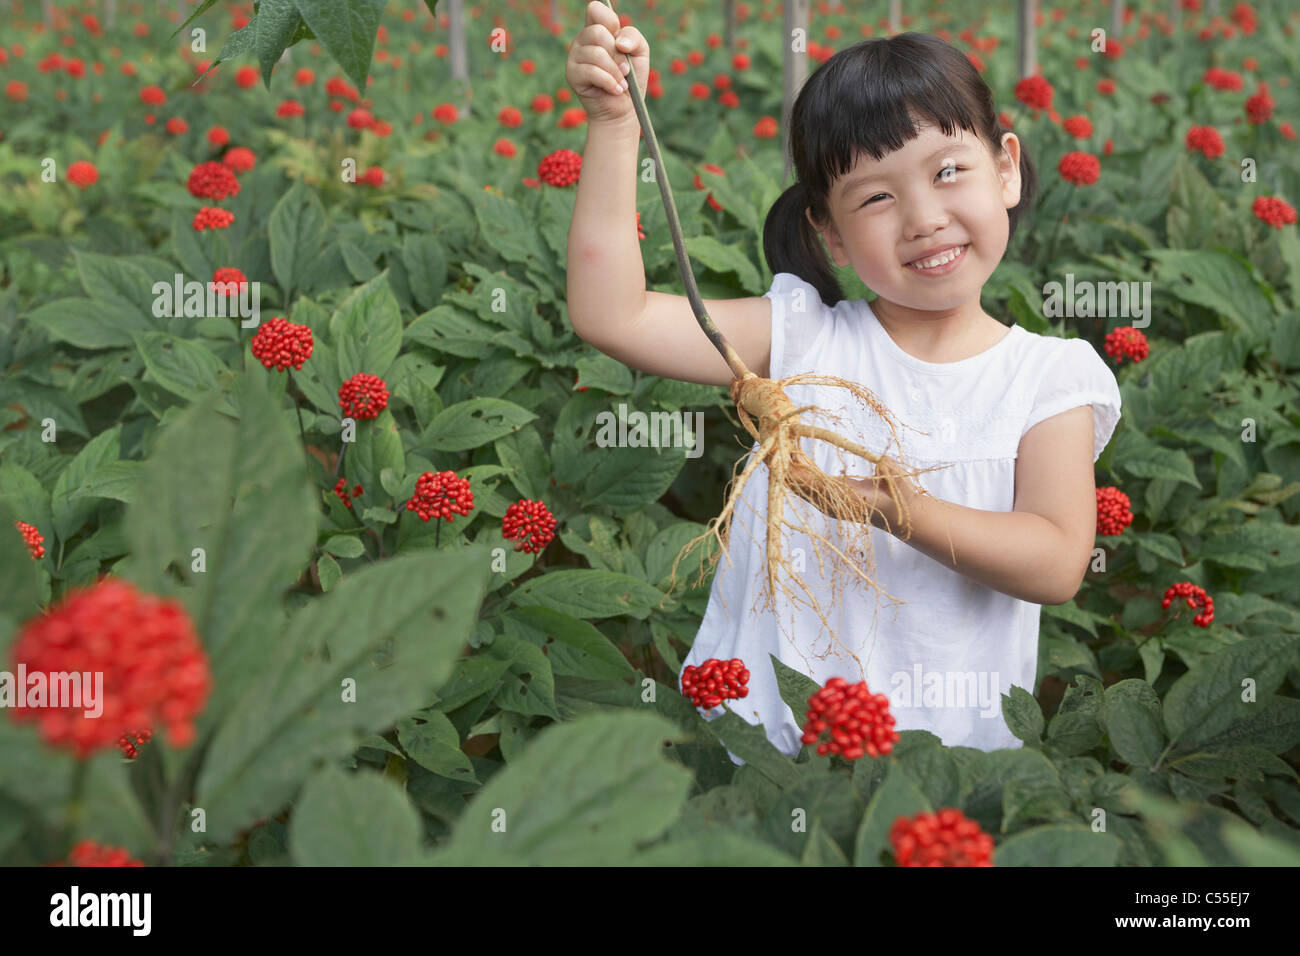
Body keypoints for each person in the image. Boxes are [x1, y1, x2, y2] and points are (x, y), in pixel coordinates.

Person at [564, 6, 1121, 762]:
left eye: (949, 170)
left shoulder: (1048, 376)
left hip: (943, 767)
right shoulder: (802, 337)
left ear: (1006, 169)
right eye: (876, 197)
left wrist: (887, 506)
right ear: (829, 233)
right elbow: (614, 315)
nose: (924, 217)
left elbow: (1056, 561)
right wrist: (615, 125)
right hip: (763, 752)